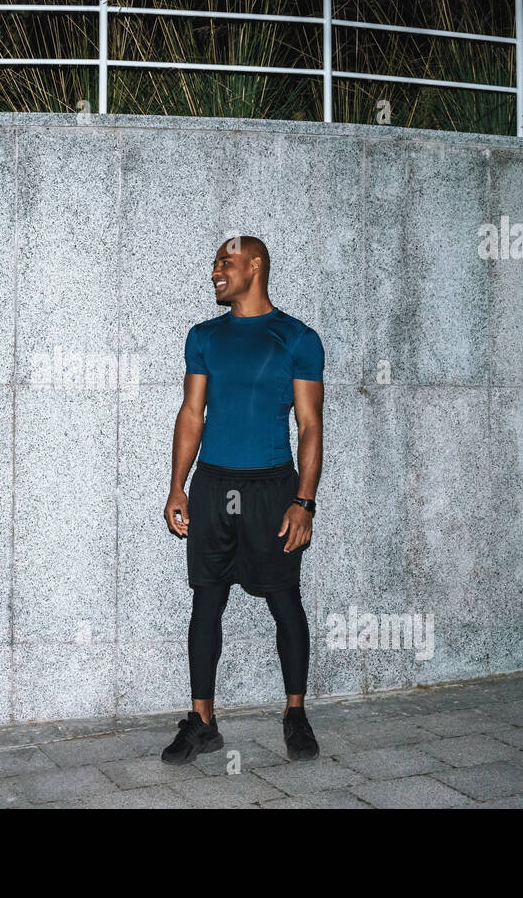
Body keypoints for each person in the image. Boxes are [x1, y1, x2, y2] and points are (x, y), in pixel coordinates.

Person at [161, 235, 324, 765]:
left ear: (255, 266)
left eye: (225, 262)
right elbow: (192, 413)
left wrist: (304, 501)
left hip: (271, 490)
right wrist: (177, 485)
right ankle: (202, 722)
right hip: (213, 486)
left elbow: (310, 426)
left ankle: (295, 713)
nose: (215, 271)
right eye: (214, 263)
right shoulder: (203, 336)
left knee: (284, 601)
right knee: (206, 601)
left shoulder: (297, 338)